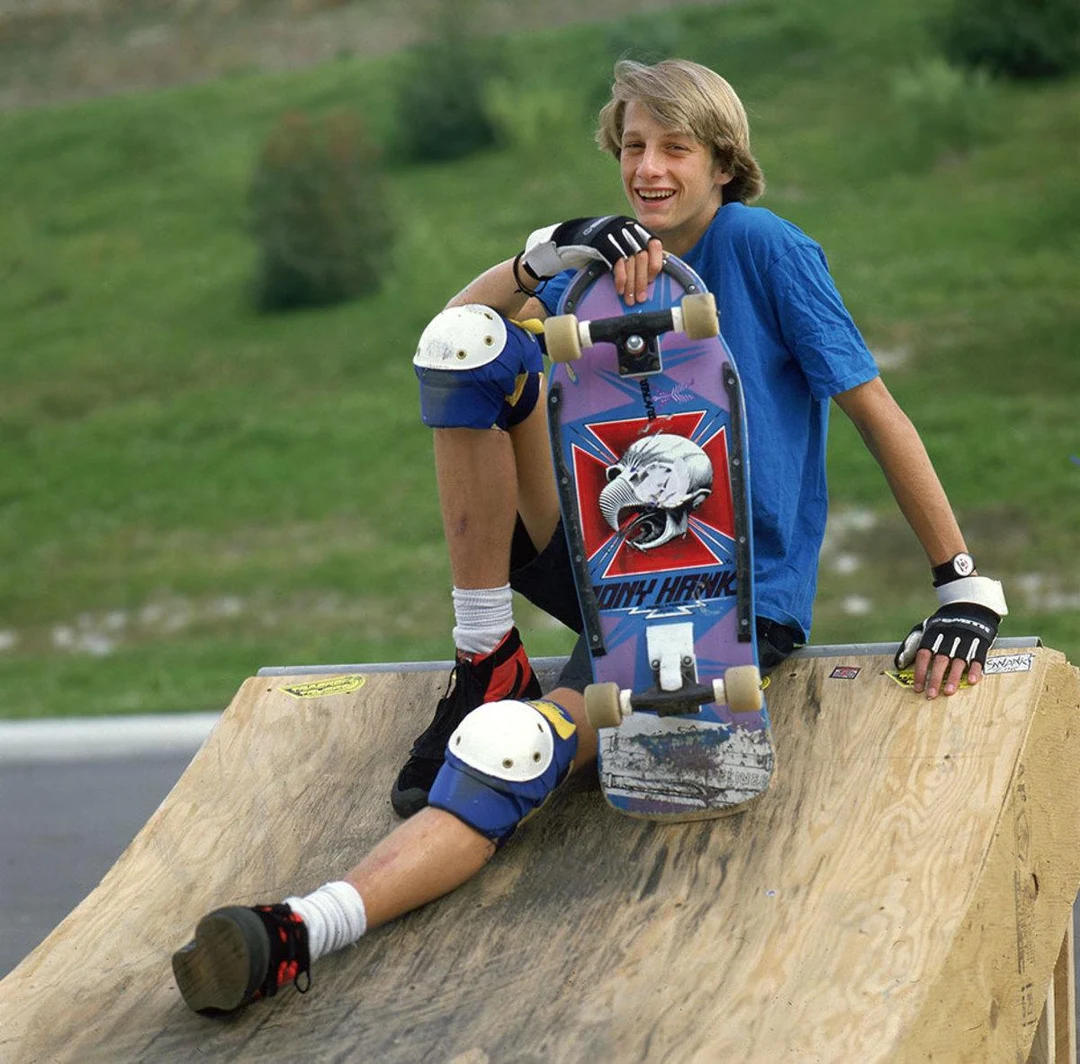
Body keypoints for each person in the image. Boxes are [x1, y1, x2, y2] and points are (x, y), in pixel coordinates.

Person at [172, 58, 1008, 1016]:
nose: (649, 169)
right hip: (603, 564)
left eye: (675, 149)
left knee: (511, 749)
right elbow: (447, 339)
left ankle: (300, 928)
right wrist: (543, 258)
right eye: (635, 147)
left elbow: (872, 407)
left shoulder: (767, 248)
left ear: (724, 162)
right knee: (468, 345)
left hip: (725, 604)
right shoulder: (600, 274)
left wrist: (962, 586)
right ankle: (485, 650)